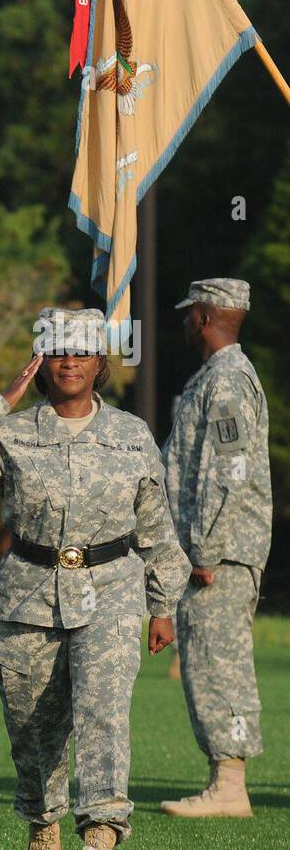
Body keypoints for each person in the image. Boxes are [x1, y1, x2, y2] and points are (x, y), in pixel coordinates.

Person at [0, 307, 189, 850]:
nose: (70, 360)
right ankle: (43, 829)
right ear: (40, 361)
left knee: (103, 715)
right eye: (58, 350)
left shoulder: (130, 434)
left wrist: (163, 601)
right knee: (33, 728)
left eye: (82, 351)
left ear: (101, 363)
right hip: (28, 594)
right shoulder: (13, 432)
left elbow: (156, 527)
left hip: (112, 590)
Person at [160, 279, 271, 818]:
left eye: (189, 314)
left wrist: (205, 549)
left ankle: (229, 785)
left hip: (220, 553)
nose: (185, 323)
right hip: (218, 548)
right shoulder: (218, 376)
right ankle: (225, 780)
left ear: (204, 317)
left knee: (218, 662)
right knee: (208, 658)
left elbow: (229, 471)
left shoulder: (227, 380)